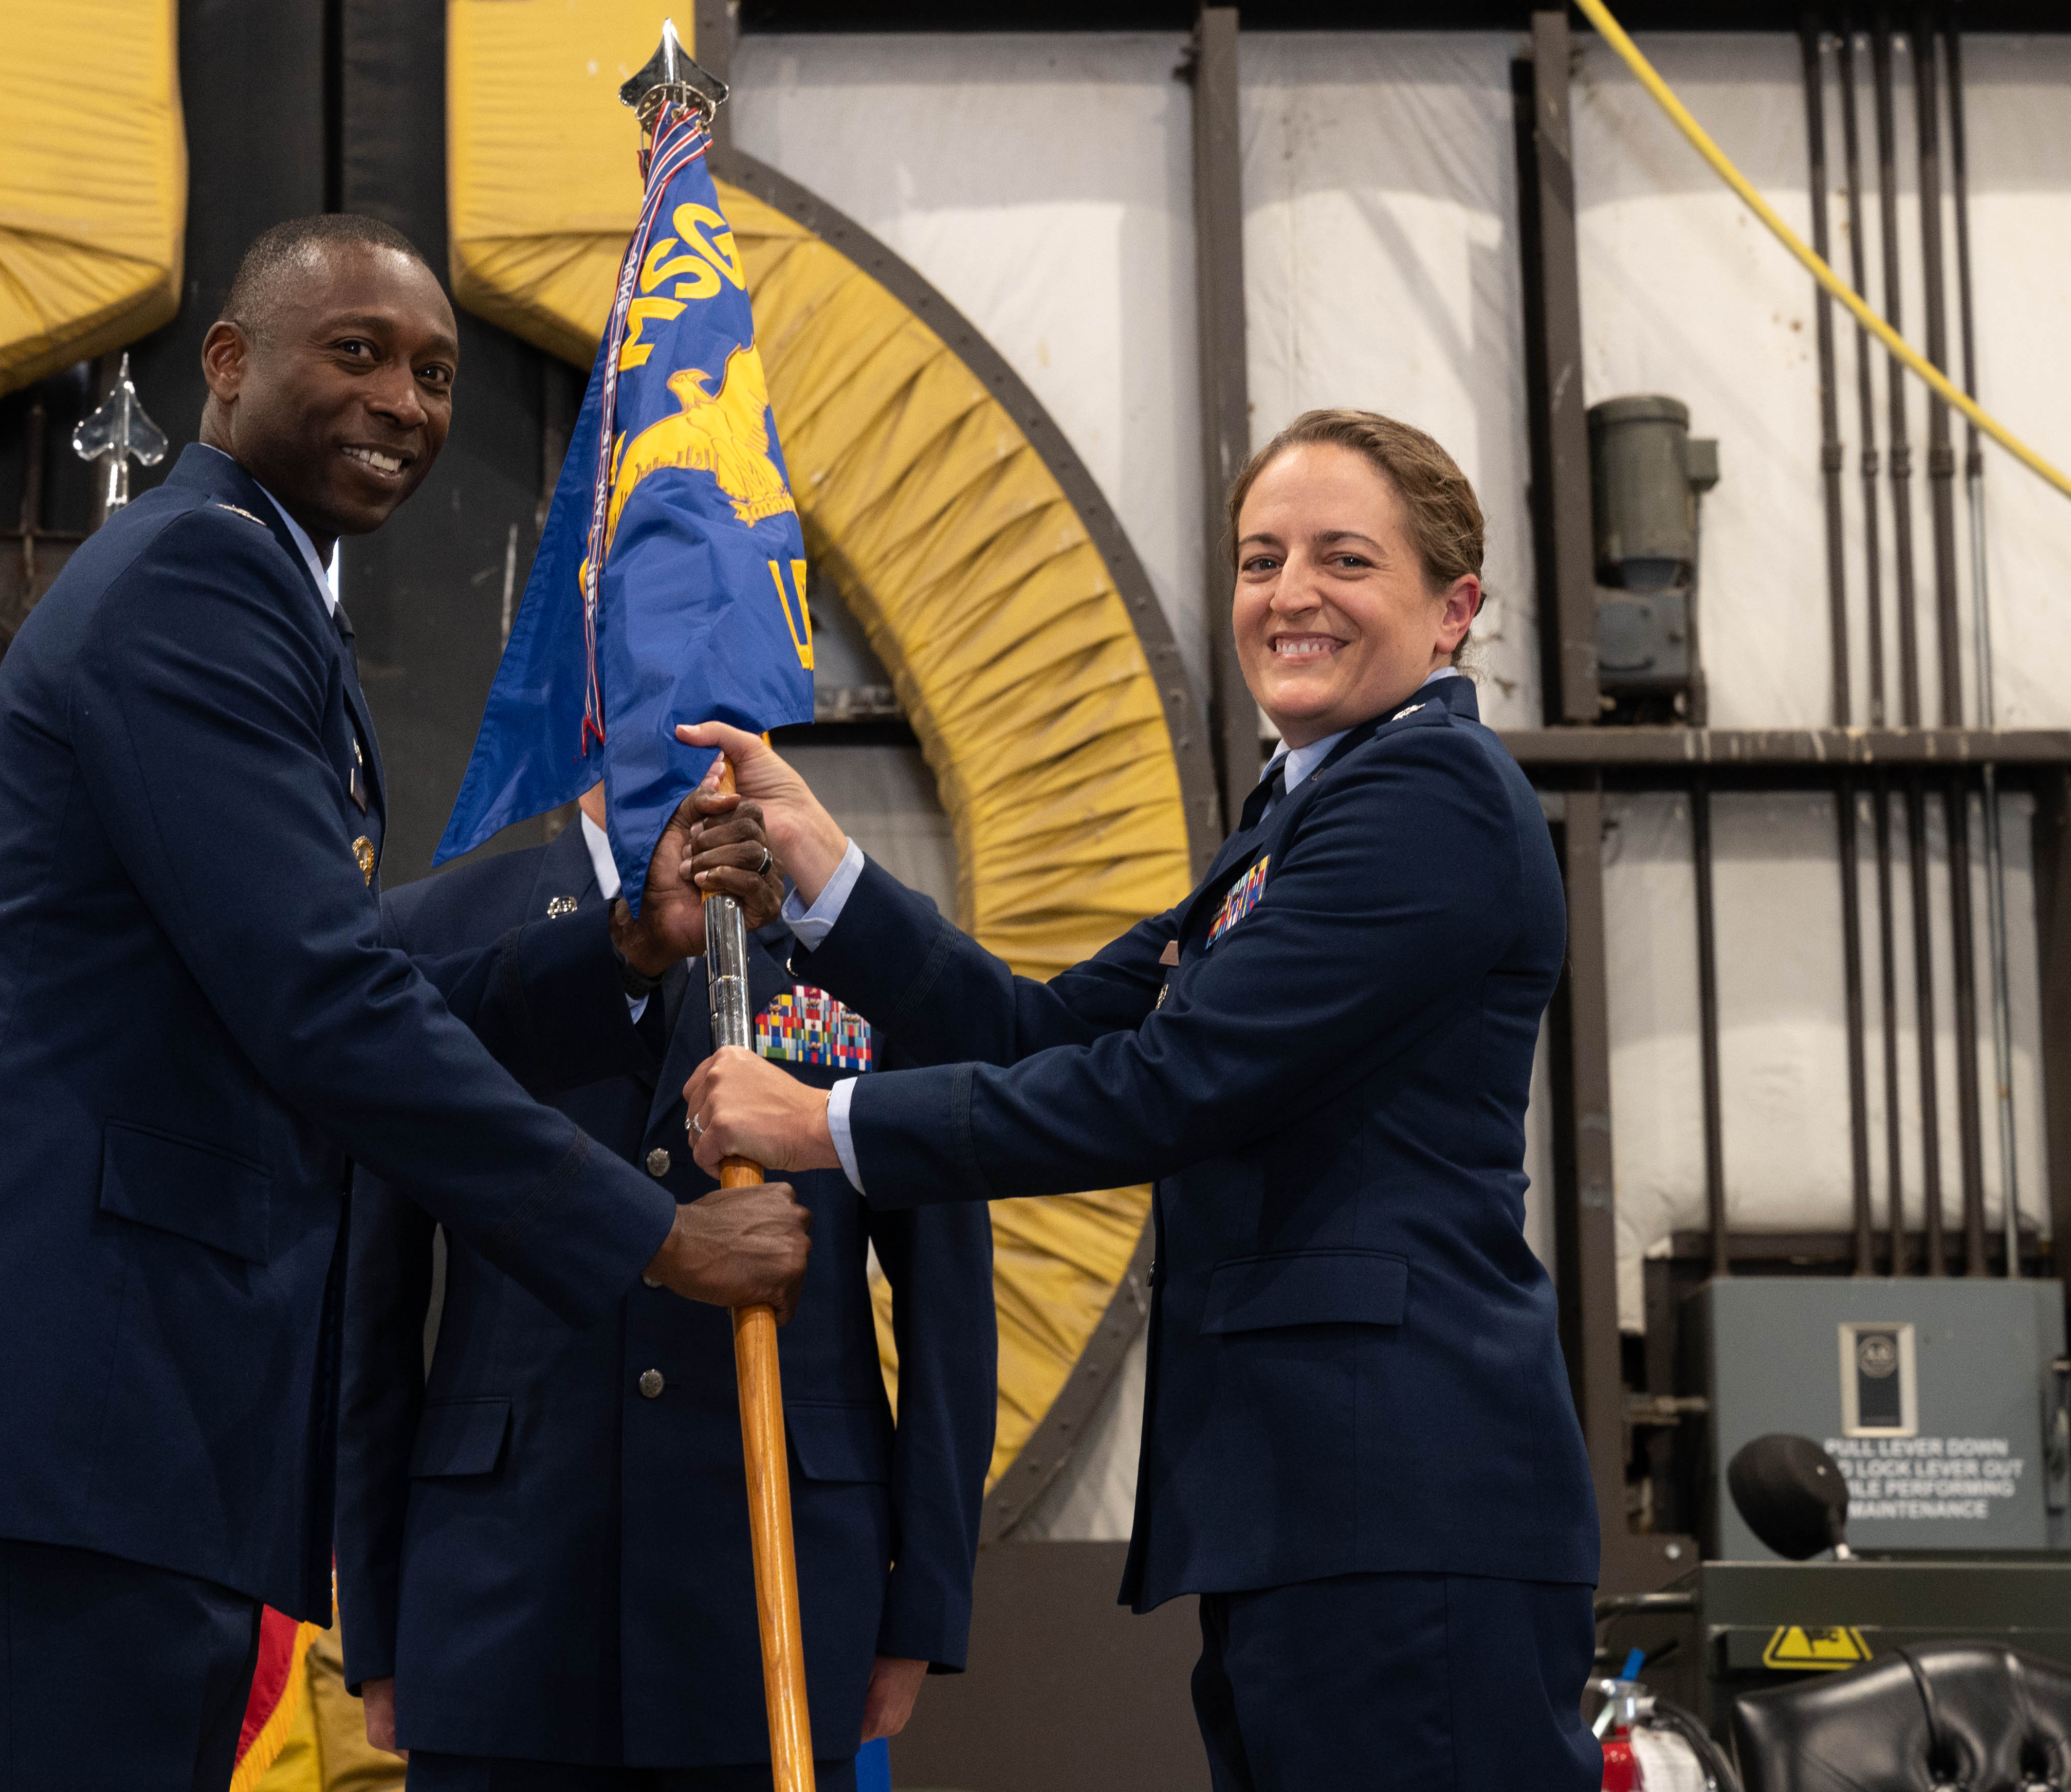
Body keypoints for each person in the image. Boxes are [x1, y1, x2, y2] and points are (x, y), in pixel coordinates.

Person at [0, 215, 813, 1792]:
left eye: (437, 374)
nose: (404, 400)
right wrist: (653, 1238)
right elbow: (324, 1002)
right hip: (75, 1391)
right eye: (358, 351)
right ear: (229, 361)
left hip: (122, 1405)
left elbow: (331, 971)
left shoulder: (257, 584)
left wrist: (622, 939)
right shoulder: (197, 577)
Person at [679, 410, 1601, 1789]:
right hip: (1315, 1506)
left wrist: (825, 1127)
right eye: (1261, 558)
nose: (1290, 593)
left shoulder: (1429, 798)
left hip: (1404, 1507)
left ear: (1453, 608)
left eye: (1345, 559)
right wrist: (823, 863)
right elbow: (1040, 1029)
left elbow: (1167, 1087)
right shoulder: (1298, 814)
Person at [336, 782, 998, 1792]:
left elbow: (944, 1301)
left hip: (780, 1599)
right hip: (500, 1606)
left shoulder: (869, 945)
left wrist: (924, 1610)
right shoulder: (436, 930)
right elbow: (371, 1307)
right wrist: (378, 1620)